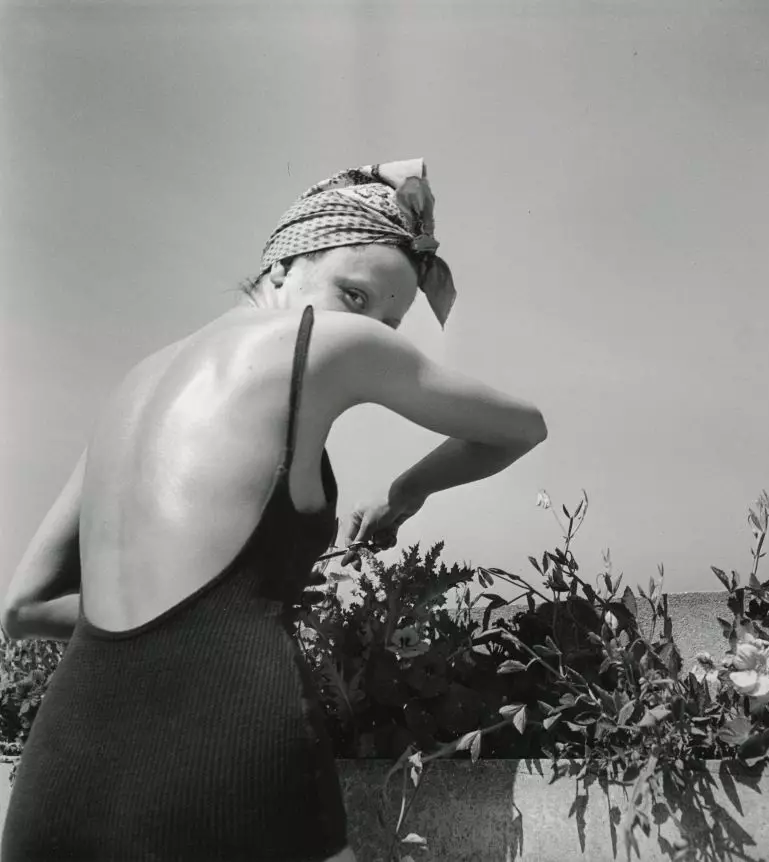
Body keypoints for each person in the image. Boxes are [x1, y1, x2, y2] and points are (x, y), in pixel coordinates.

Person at [0, 158, 547, 861]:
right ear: (286, 262)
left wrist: (181, 616)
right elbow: (521, 426)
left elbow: (23, 607)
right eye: (356, 294)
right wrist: (408, 491)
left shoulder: (133, 385)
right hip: (227, 746)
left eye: (393, 318)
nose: (376, 329)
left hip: (61, 773)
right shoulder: (326, 340)